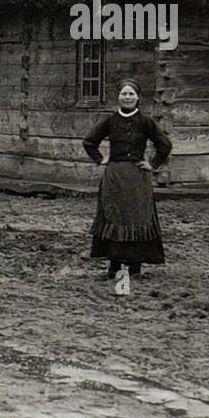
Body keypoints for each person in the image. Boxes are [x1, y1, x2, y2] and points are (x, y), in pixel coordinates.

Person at [82, 80, 172, 280]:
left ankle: (135, 268)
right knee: (114, 217)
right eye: (124, 94)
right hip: (114, 176)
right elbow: (89, 141)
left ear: (138, 97)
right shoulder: (111, 120)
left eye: (131, 94)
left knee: (137, 218)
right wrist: (100, 159)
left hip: (137, 177)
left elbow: (164, 144)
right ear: (119, 97)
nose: (127, 97)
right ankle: (114, 267)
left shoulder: (146, 121)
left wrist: (152, 164)